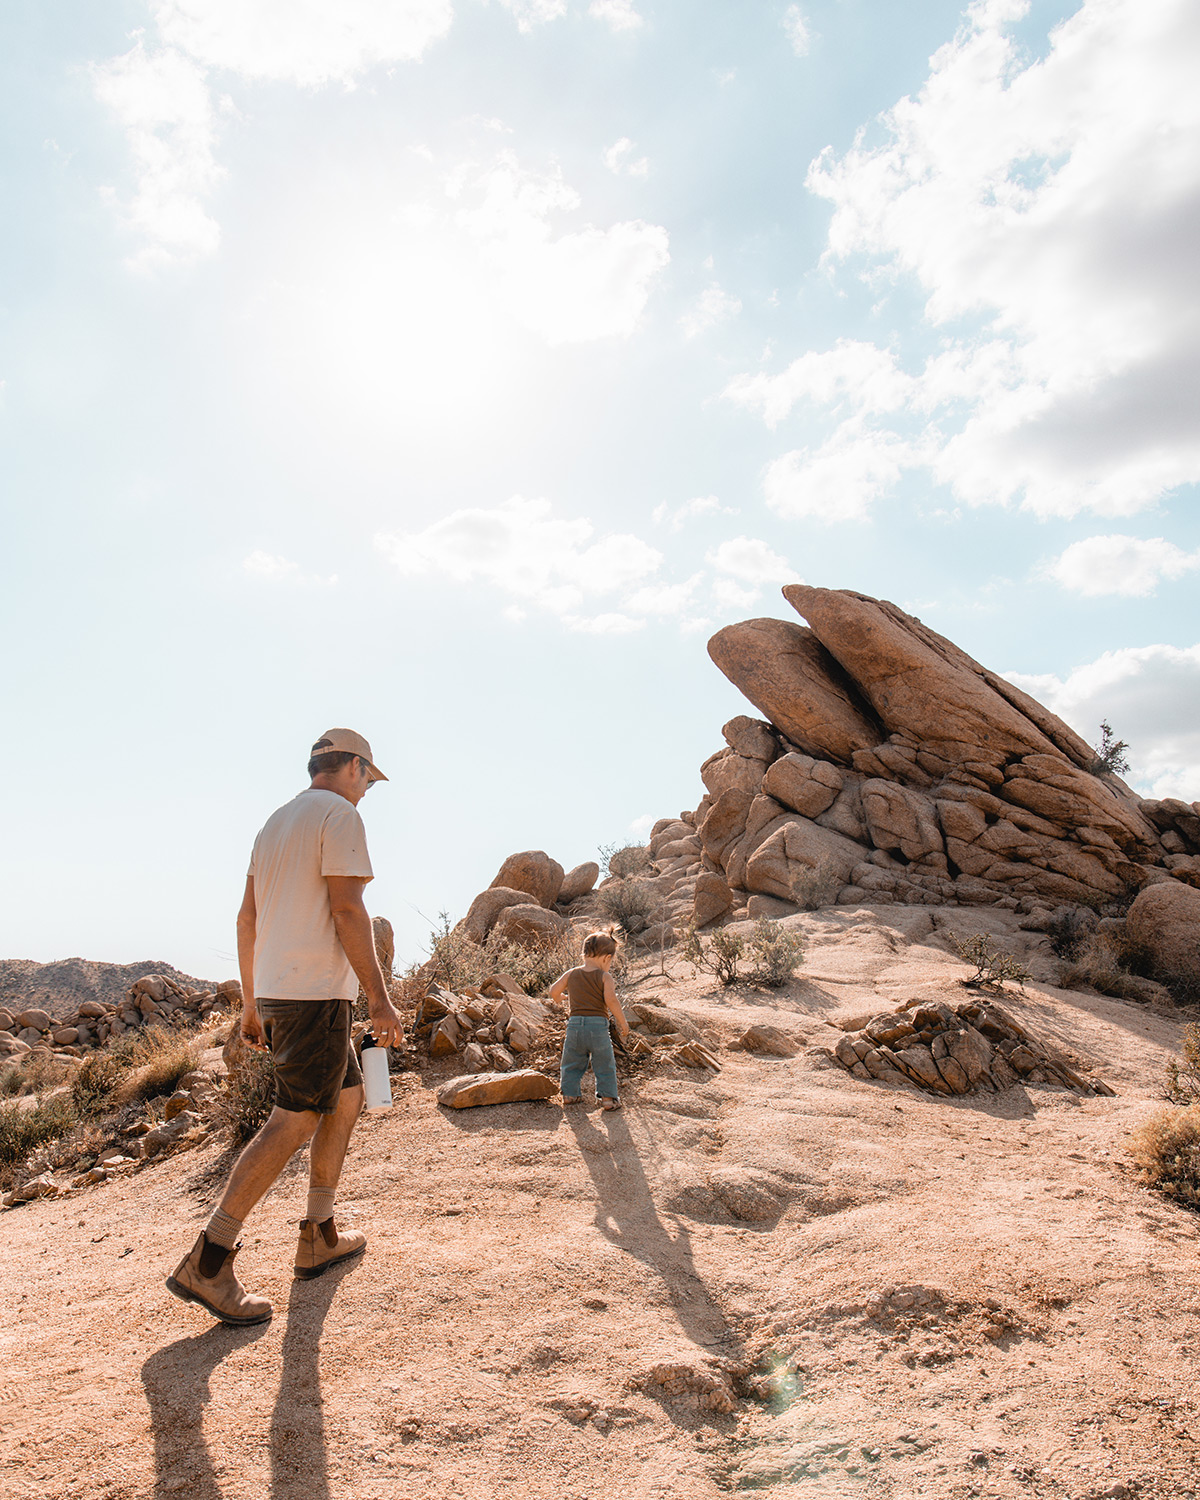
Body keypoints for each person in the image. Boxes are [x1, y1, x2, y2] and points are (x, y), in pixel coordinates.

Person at [167, 728, 405, 1326]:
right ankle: (211, 1259)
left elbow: (246, 918)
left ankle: (319, 1231)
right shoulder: (340, 815)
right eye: (368, 779)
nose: (367, 792)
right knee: (294, 1118)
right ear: (352, 767)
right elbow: (348, 908)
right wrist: (380, 999)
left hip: (281, 992)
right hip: (315, 995)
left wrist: (251, 1004)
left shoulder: (274, 822)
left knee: (347, 1098)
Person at [549, 930, 630, 1112]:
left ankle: (570, 1094)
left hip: (575, 1027)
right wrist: (623, 1022)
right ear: (606, 958)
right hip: (598, 1028)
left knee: (571, 1062)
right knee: (604, 1063)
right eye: (611, 961)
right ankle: (608, 1099)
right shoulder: (604, 977)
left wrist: (560, 997)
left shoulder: (571, 974)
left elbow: (553, 990)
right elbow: (611, 1001)